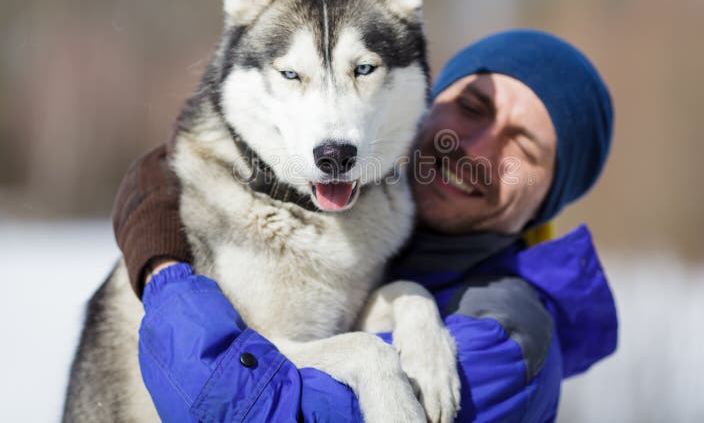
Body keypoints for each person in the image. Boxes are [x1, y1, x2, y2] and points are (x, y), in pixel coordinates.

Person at [113, 29, 617, 422]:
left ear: (546, 203)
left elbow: (246, 408)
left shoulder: (506, 339)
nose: (474, 150)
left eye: (522, 147)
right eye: (470, 109)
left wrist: (163, 265)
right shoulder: (365, 231)